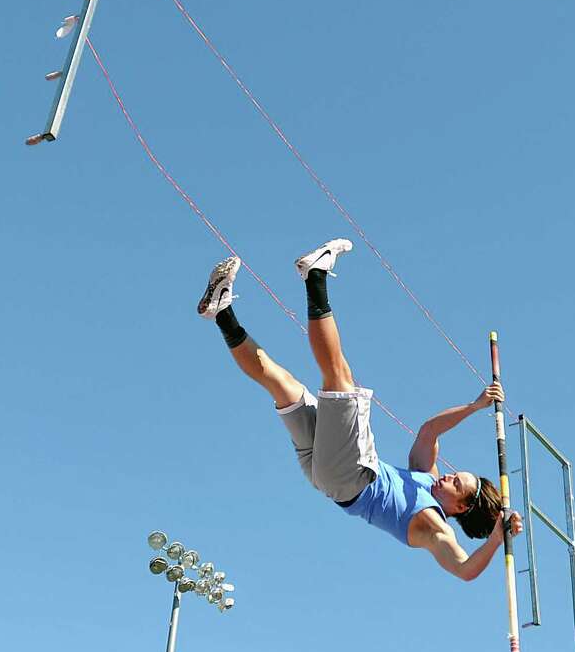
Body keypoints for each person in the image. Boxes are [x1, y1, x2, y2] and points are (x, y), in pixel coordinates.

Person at [197, 238, 523, 580]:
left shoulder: (433, 526)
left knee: (340, 376)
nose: (451, 476)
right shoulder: (424, 478)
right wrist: (475, 405)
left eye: (457, 484)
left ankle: (315, 276)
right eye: (458, 473)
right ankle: (222, 313)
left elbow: (464, 569)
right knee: (281, 383)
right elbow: (430, 430)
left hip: (351, 475)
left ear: (460, 506)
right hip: (333, 474)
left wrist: (497, 539)